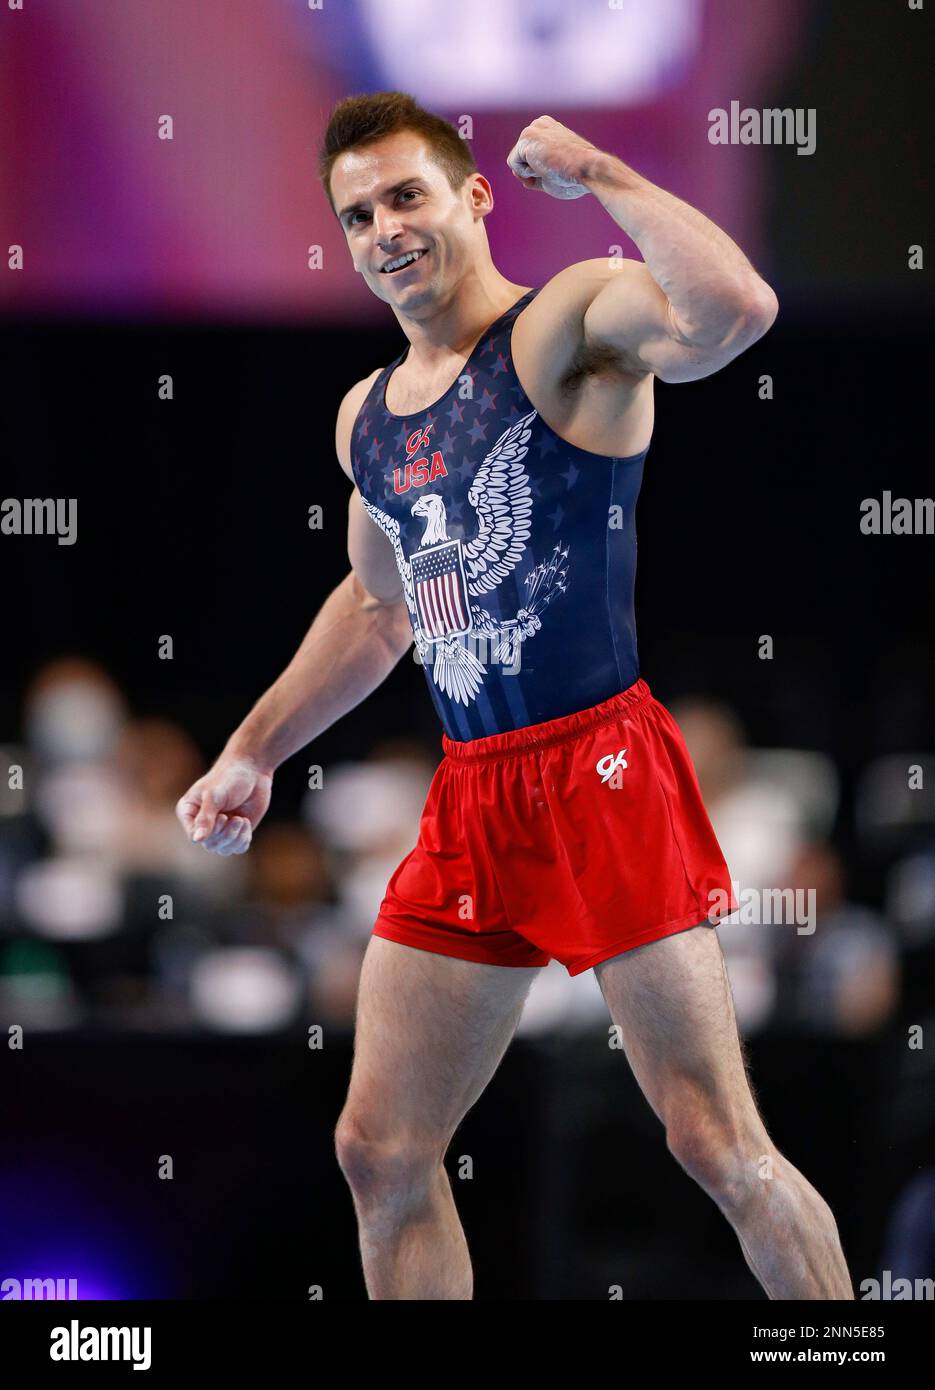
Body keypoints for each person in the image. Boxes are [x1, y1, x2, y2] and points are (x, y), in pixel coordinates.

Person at [176, 92, 853, 1300]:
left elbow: (734, 308)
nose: (384, 229)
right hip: (474, 794)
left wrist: (595, 168)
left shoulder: (564, 328)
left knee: (714, 1142)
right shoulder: (365, 417)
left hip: (600, 772)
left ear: (472, 196)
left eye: (406, 196)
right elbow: (379, 607)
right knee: (378, 1150)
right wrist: (253, 748)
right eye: (356, 214)